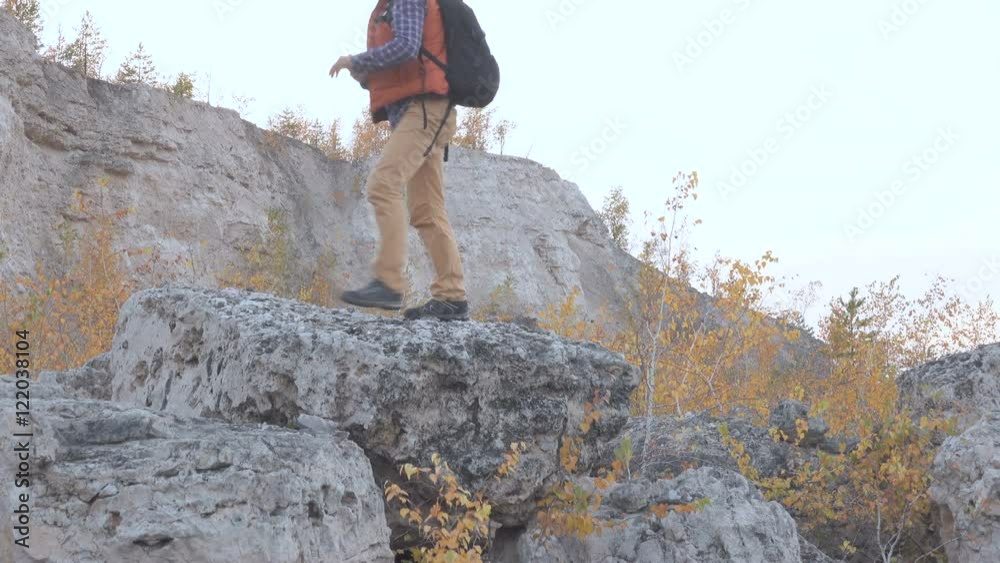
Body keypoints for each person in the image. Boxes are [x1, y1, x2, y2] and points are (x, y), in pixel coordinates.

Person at [329, 0, 469, 321]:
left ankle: (389, 283)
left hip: (424, 111)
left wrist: (355, 59)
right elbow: (407, 58)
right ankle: (452, 297)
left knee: (383, 184)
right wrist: (365, 73)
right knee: (427, 210)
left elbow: (406, 46)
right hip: (426, 111)